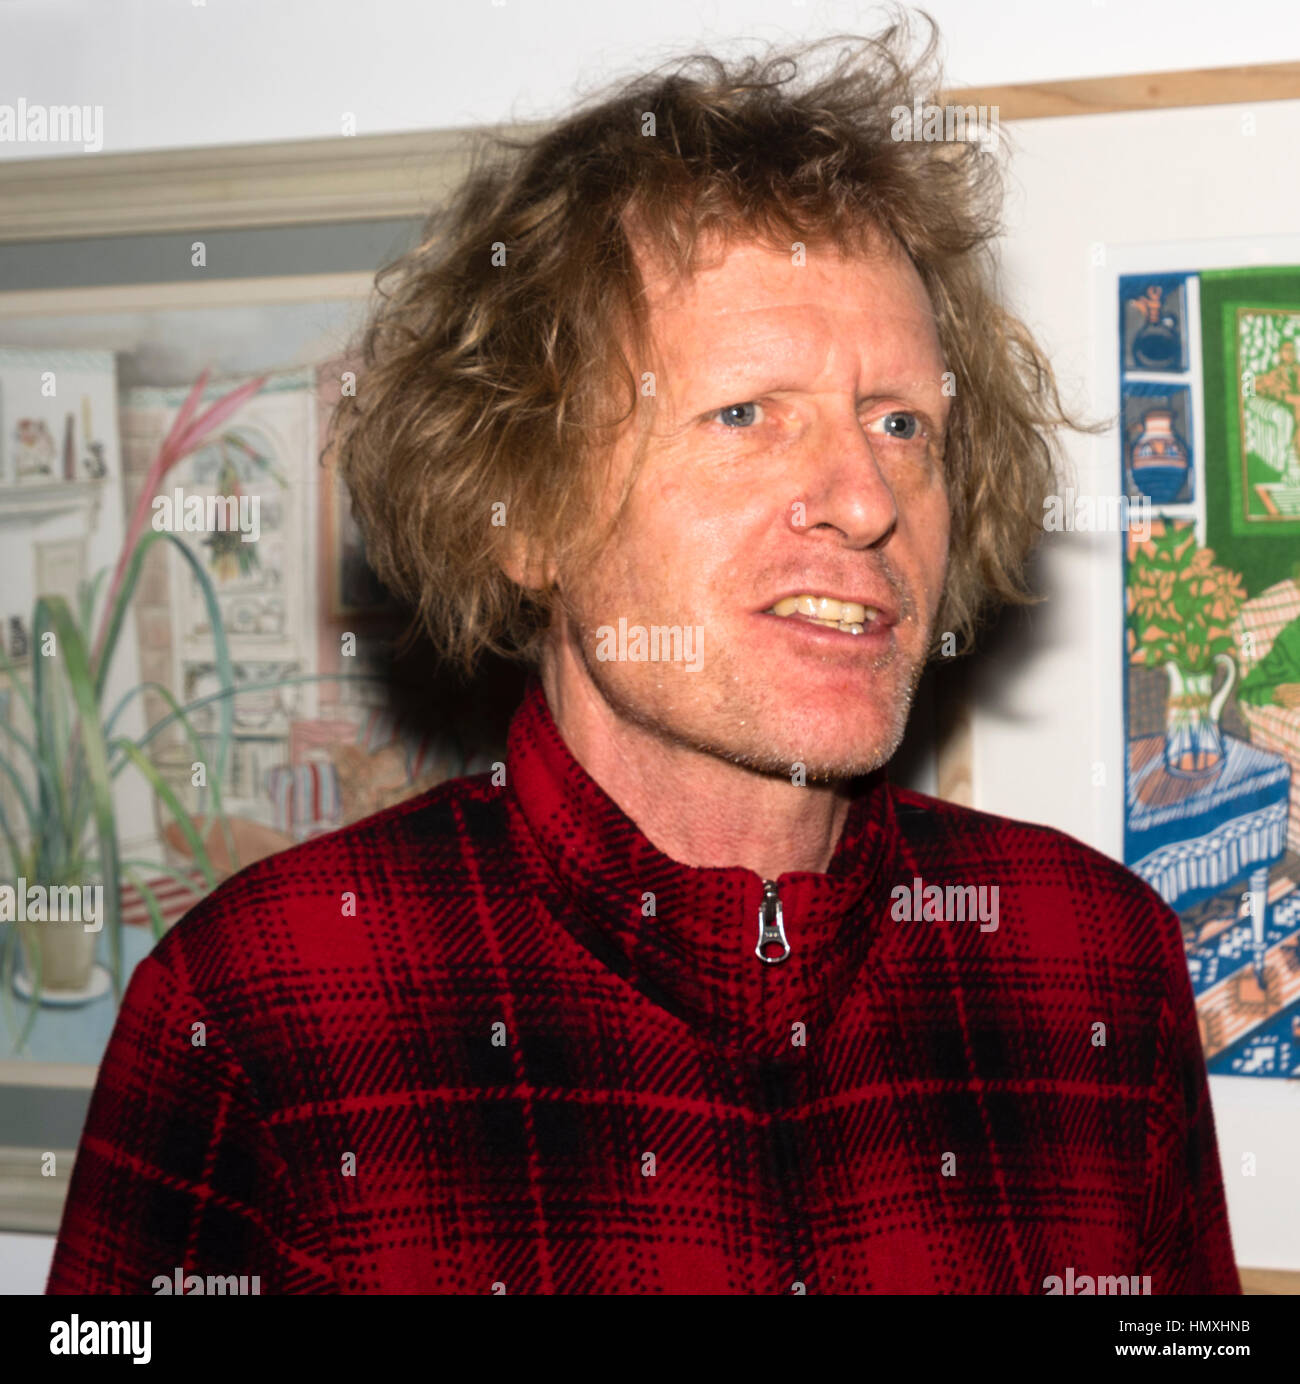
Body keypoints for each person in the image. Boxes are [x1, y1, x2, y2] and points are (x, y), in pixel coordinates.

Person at [47, 17, 1240, 1294]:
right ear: (527, 509)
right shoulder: (270, 1009)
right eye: (744, 415)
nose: (862, 497)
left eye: (900, 421)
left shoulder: (1092, 962)